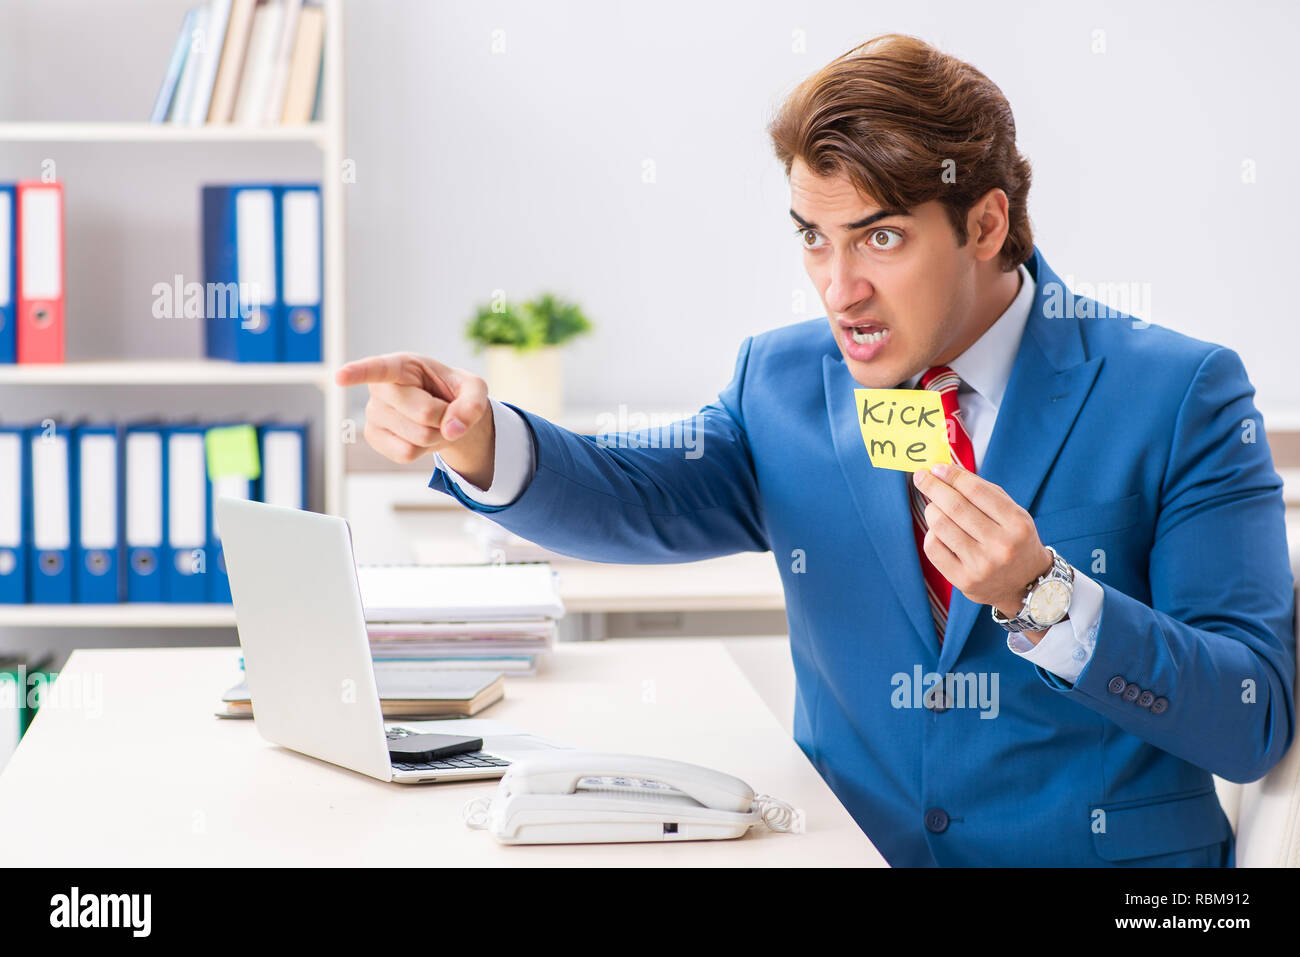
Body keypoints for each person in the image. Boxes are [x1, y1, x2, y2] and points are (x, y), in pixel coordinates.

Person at [337, 34, 1295, 866]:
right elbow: (634, 492)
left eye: (879, 237)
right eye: (814, 240)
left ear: (986, 222)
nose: (838, 290)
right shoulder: (784, 384)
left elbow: (1250, 714)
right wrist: (477, 440)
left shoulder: (1179, 394)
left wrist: (1048, 595)